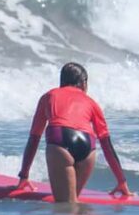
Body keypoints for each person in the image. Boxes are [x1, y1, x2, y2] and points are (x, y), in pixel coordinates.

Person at [16, 62, 132, 202]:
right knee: (72, 202)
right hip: (88, 146)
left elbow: (34, 138)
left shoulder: (49, 96)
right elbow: (106, 144)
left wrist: (24, 175)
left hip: (60, 140)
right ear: (84, 83)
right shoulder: (92, 103)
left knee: (66, 206)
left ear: (61, 81)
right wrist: (121, 181)